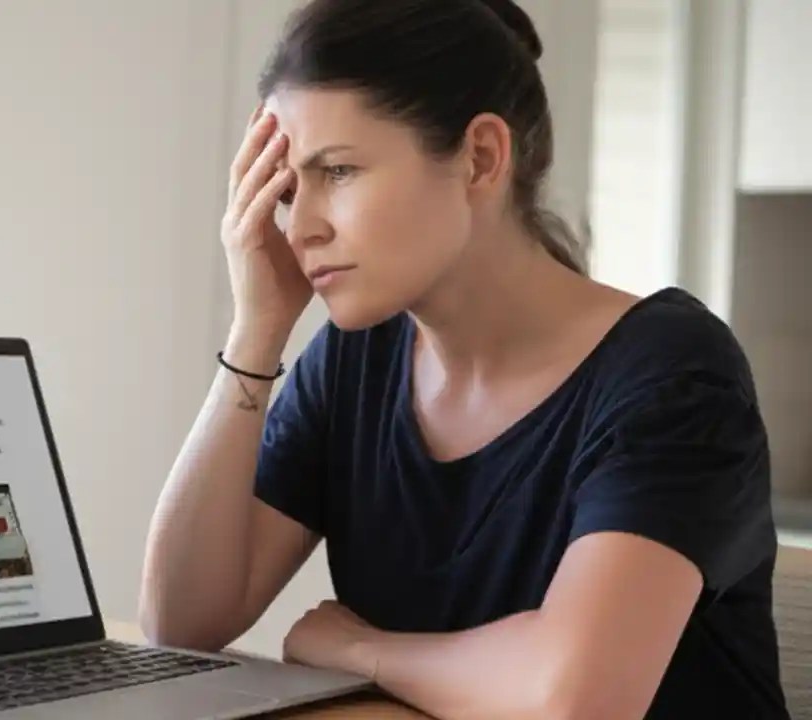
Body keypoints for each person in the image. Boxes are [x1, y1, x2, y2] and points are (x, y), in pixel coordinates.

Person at [138, 0, 790, 718]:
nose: (303, 227)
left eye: (340, 171)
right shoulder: (357, 360)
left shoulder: (674, 377)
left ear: (481, 157)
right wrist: (256, 332)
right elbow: (183, 623)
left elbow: (577, 699)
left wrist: (362, 650)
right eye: (291, 190)